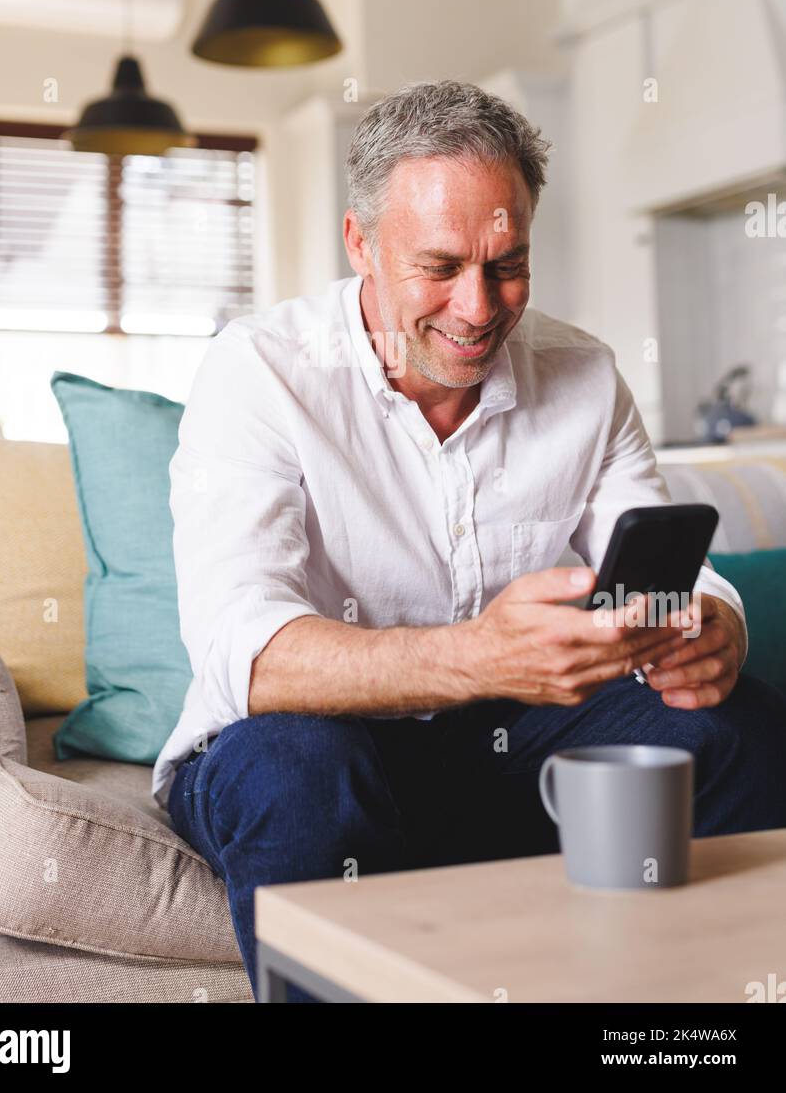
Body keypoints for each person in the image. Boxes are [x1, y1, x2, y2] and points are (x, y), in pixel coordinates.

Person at [153, 79, 786, 1002]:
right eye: (440, 267)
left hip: (497, 749)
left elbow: (662, 569)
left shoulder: (585, 375)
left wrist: (708, 624)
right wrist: (479, 657)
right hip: (298, 747)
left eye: (508, 264)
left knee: (738, 728)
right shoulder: (260, 371)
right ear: (360, 244)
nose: (479, 306)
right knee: (298, 771)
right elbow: (245, 655)